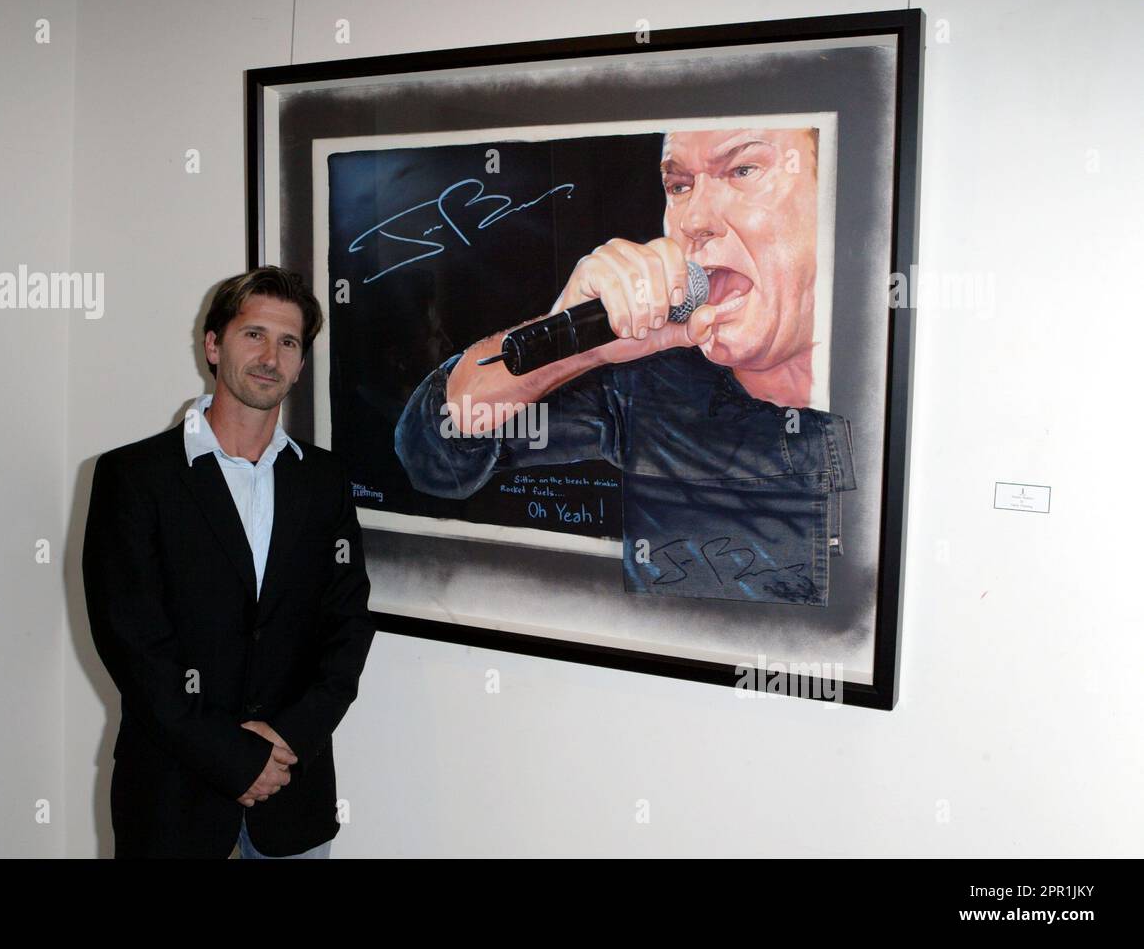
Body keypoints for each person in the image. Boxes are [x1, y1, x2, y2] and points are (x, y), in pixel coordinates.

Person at [395, 128, 857, 606]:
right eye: (679, 187)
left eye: (743, 170)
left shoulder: (893, 390)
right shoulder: (651, 382)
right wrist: (578, 346)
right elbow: (437, 451)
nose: (693, 220)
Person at [83, 266, 375, 858]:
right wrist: (236, 760)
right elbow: (133, 646)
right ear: (213, 345)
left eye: (288, 342)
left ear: (299, 363)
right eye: (254, 335)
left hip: (294, 799)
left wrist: (288, 740)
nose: (271, 356)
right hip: (173, 802)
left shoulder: (324, 482)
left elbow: (347, 628)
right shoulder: (134, 477)